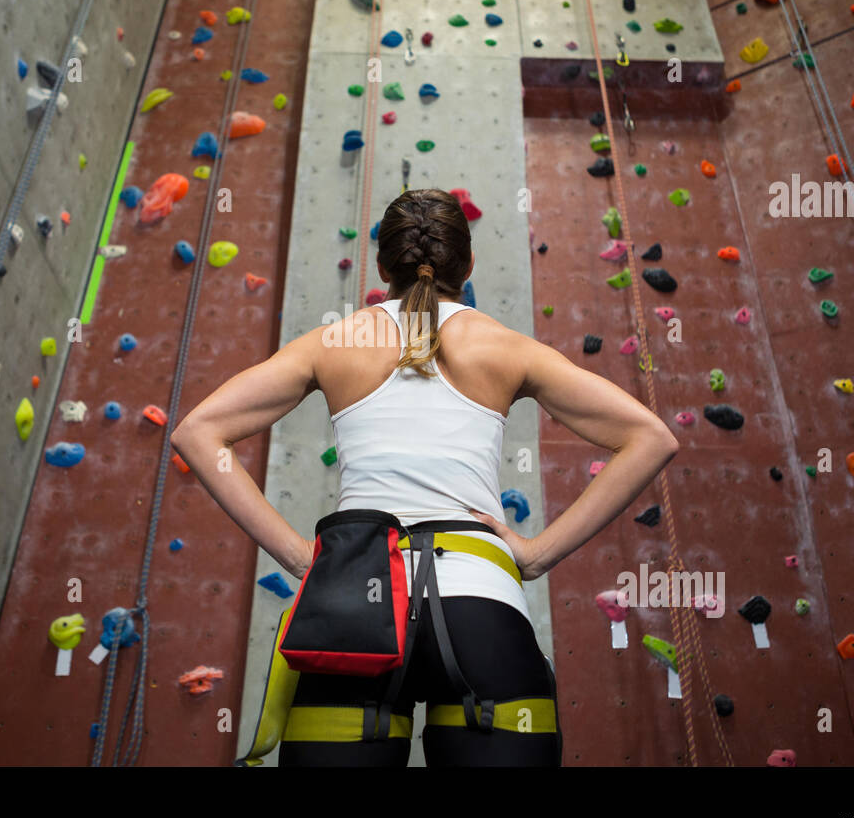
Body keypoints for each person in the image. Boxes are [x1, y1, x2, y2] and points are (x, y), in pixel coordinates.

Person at [170, 188, 679, 766]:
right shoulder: (509, 348)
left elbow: (197, 432)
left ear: (383, 267)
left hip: (355, 610)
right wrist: (537, 555)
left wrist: (296, 556)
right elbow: (651, 438)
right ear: (468, 267)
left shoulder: (335, 343)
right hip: (481, 607)